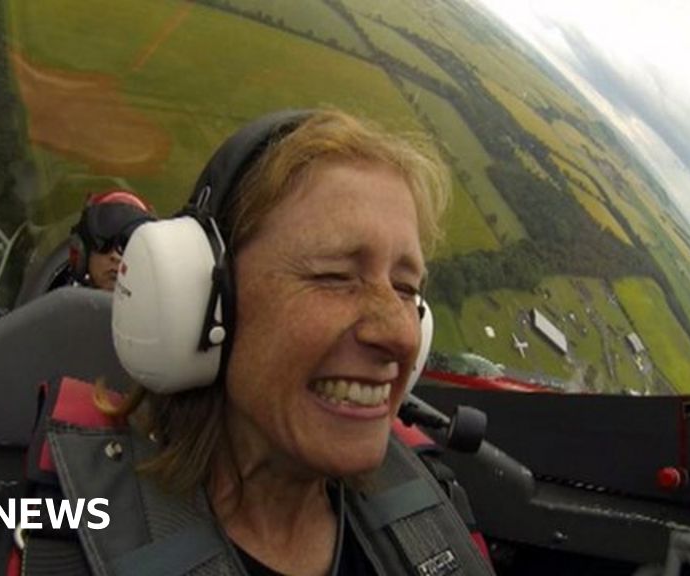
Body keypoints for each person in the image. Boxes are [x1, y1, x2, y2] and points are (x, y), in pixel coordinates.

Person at [39, 108, 492, 575]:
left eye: (406, 289)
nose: (399, 334)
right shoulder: (35, 532)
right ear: (202, 300)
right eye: (334, 276)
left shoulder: (440, 505)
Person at [48, 189, 155, 291]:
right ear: (83, 252)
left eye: (127, 245)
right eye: (105, 242)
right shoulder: (58, 306)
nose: (116, 257)